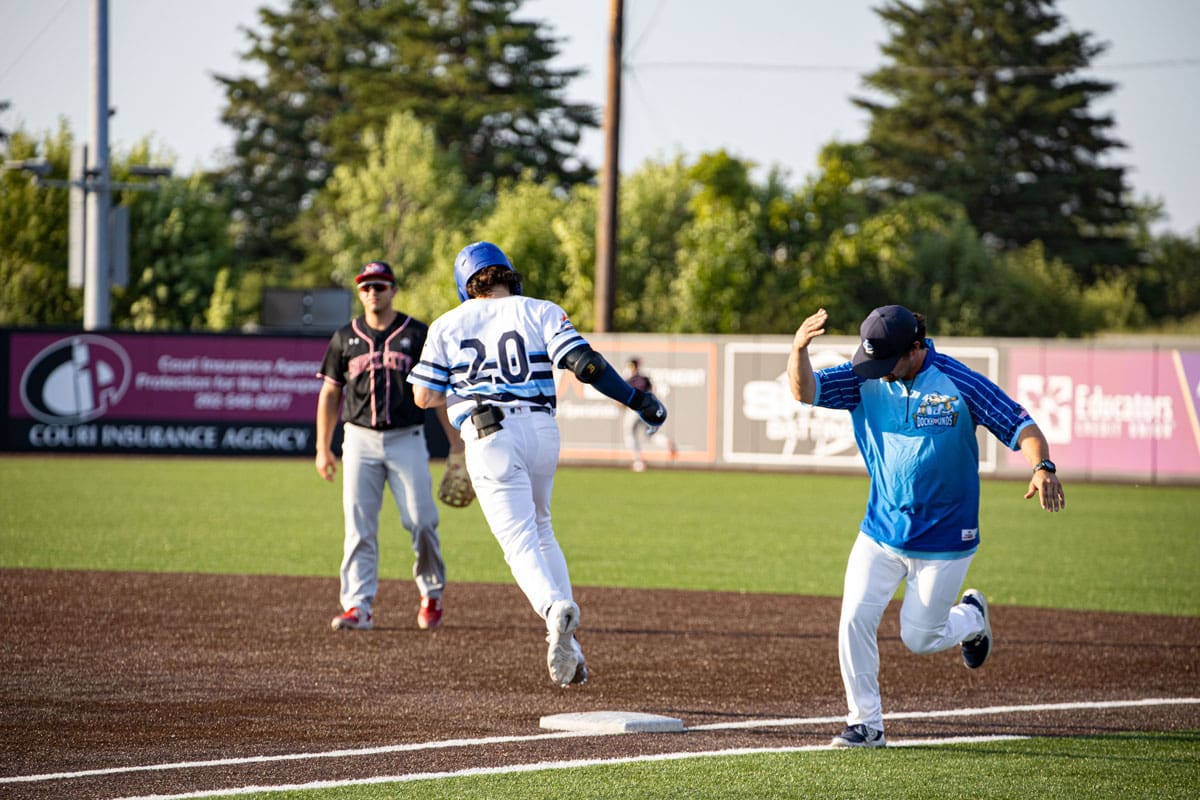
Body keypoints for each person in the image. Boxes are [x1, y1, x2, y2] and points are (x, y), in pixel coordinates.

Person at [787, 305, 1065, 748]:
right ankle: (866, 723)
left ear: (916, 349)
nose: (876, 370)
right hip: (880, 529)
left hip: (945, 540)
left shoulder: (960, 382)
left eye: (886, 361)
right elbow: (806, 391)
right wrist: (799, 349)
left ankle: (971, 618)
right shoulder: (866, 374)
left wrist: (1043, 466)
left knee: (920, 637)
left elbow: (1020, 423)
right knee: (854, 617)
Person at [408, 241, 667, 687]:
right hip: (543, 431)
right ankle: (568, 638)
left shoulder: (449, 323)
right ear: (509, 274)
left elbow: (424, 395)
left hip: (489, 434)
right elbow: (585, 365)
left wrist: (466, 385)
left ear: (465, 286)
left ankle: (554, 608)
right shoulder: (541, 309)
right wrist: (638, 400)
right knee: (543, 526)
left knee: (519, 541)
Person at [315, 260, 464, 633]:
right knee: (359, 526)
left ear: (393, 289)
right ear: (359, 292)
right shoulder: (343, 337)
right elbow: (330, 392)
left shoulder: (416, 333)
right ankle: (357, 605)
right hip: (359, 440)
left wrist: (456, 446)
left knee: (422, 521)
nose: (372, 293)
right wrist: (323, 447)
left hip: (407, 439)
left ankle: (432, 593)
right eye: (365, 287)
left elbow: (439, 394)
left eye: (379, 286)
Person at [623, 358, 677, 472]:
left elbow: (622, 398)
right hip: (645, 409)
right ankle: (666, 443)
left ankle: (638, 462)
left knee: (629, 434)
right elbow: (653, 393)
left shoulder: (629, 380)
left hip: (633, 410)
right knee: (650, 435)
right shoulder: (645, 379)